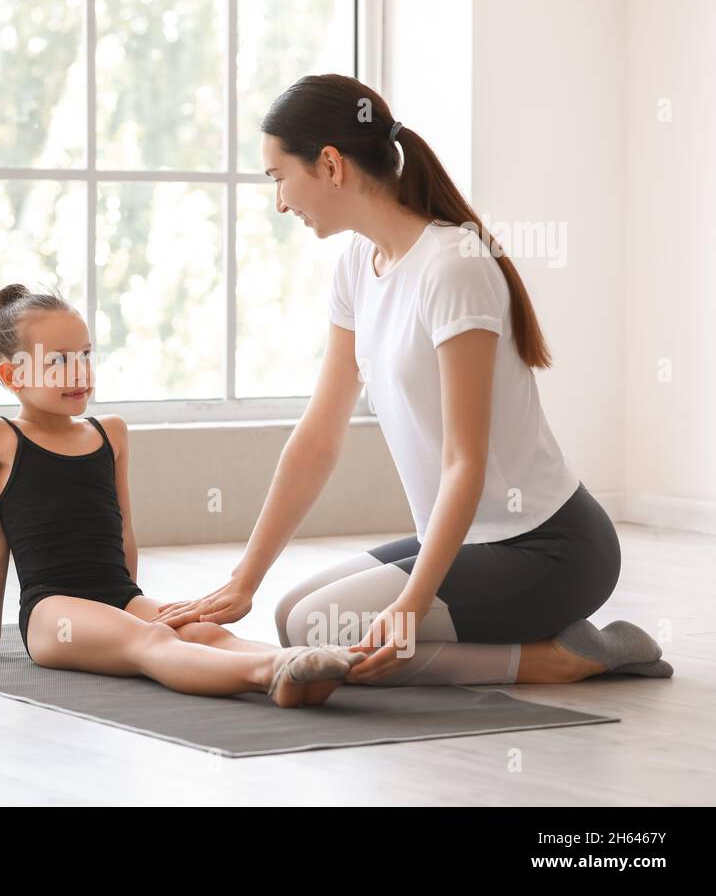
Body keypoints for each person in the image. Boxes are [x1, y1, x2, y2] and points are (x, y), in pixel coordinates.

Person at [152, 73, 672, 686]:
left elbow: (465, 463)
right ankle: (524, 641)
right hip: (468, 540)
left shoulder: (453, 265)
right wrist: (245, 580)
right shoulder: (355, 264)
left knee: (337, 634)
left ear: (329, 164)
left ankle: (559, 659)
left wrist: (412, 605)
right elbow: (320, 435)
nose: (281, 203)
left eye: (279, 179)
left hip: (547, 546)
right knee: (298, 620)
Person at [0, 283, 367, 708]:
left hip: (118, 594)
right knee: (150, 639)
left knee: (201, 629)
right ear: (12, 375)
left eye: (84, 355)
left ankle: (304, 671)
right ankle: (272, 670)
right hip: (51, 613)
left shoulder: (109, 432)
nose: (79, 371)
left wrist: (130, 602)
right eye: (58, 361)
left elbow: (124, 531)